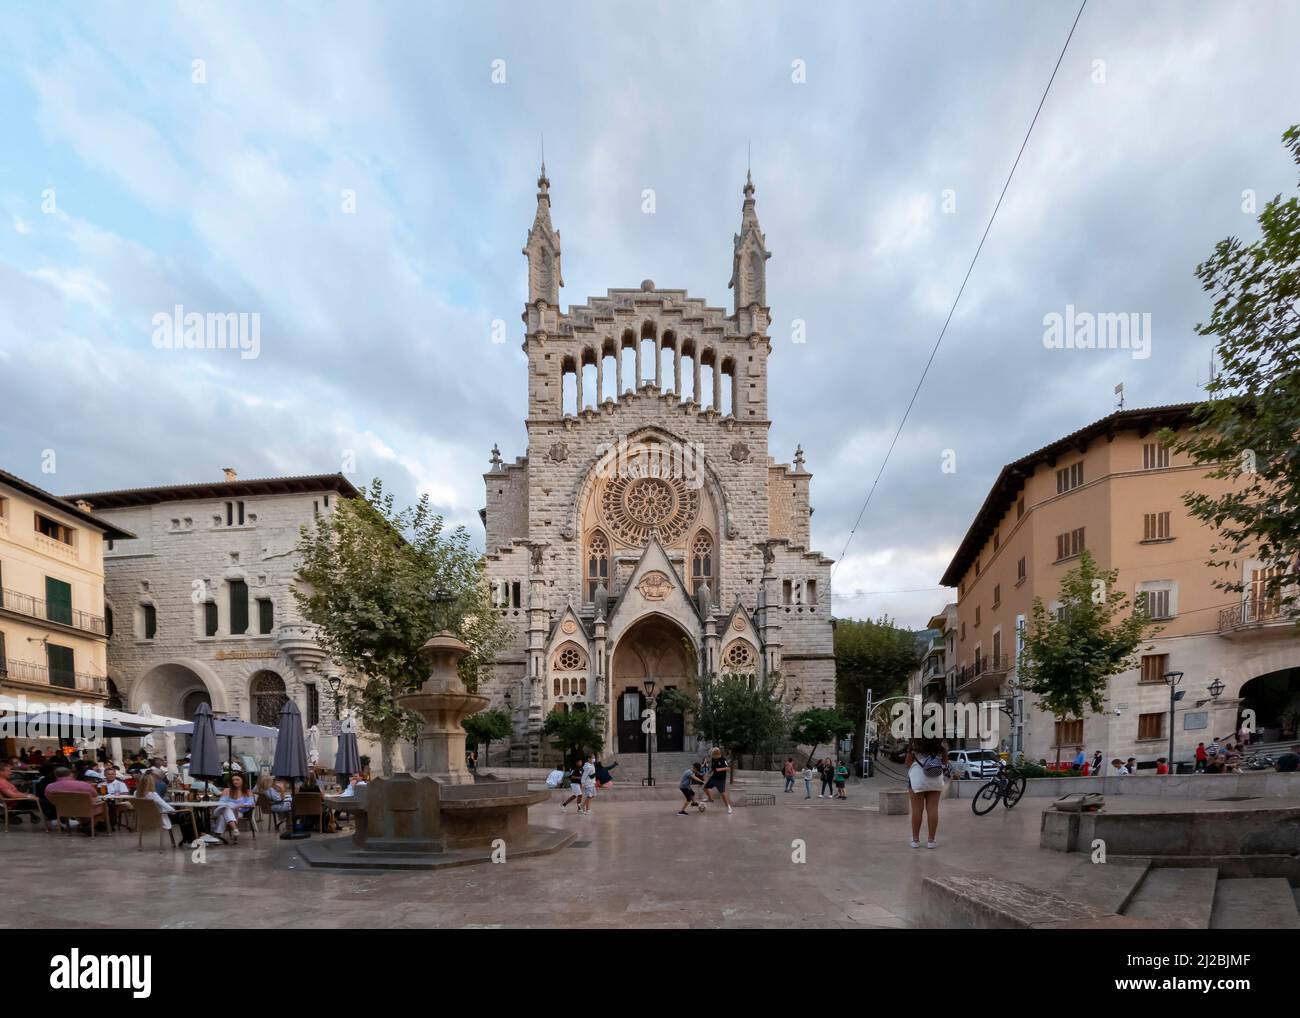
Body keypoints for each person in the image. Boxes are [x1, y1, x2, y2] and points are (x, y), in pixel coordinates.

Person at [905, 737, 948, 849]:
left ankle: (915, 840)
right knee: (933, 809)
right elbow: (944, 762)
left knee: (917, 810)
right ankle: (931, 840)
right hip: (935, 778)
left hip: (917, 778)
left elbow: (908, 762)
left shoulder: (914, 743)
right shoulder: (940, 744)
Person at [133, 775, 200, 845]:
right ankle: (193, 837)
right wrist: (174, 811)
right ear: (151, 783)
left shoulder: (136, 794)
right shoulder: (152, 794)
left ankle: (187, 839)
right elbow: (166, 806)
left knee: (183, 815)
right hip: (161, 818)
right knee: (187, 814)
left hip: (147, 820)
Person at [45, 766, 108, 836]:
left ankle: (84, 825)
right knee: (104, 807)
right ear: (70, 774)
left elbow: (51, 800)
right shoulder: (84, 785)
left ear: (55, 775)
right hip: (84, 808)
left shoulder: (49, 787)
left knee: (80, 807)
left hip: (63, 810)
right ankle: (88, 826)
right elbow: (95, 795)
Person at [211, 773, 255, 843]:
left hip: (238, 812)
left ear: (243, 780)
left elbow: (251, 804)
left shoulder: (247, 792)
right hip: (219, 810)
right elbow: (221, 802)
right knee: (226, 807)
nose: (235, 782)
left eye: (237, 779)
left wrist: (237, 806)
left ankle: (217, 835)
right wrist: (231, 805)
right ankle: (235, 828)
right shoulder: (227, 790)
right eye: (233, 780)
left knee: (223, 815)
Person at [703, 747, 734, 814]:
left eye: (713, 755)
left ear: (716, 754)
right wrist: (708, 773)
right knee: (705, 788)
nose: (712, 756)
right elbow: (713, 768)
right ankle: (710, 799)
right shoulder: (713, 759)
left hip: (721, 779)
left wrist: (720, 769)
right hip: (713, 777)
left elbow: (728, 768)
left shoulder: (723, 759)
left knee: (722, 793)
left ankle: (728, 807)